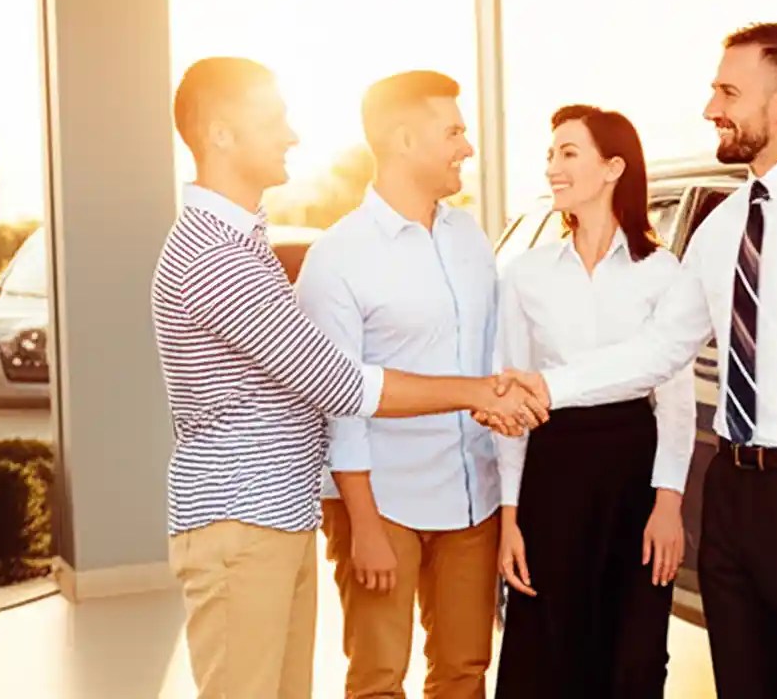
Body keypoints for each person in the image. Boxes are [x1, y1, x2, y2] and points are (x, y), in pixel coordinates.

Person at [492, 24, 777, 698]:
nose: (710, 109)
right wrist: (546, 385)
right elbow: (659, 348)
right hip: (729, 496)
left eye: (728, 92)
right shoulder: (721, 227)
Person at [152, 57, 543, 699]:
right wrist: (474, 392)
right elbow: (338, 385)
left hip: (272, 518)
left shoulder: (243, 242)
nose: (291, 136)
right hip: (238, 519)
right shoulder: (213, 255)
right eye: (272, 120)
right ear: (221, 133)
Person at [293, 70, 502, 699]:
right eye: (454, 132)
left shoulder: (470, 238)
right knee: (379, 679)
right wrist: (363, 525)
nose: (467, 147)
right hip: (381, 503)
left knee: (464, 671)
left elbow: (490, 360)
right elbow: (336, 402)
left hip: (472, 497)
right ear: (405, 139)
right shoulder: (337, 257)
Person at [491, 105, 696, 699]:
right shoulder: (526, 274)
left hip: (634, 473)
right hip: (552, 473)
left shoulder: (661, 271)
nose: (552, 167)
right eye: (550, 154)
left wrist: (668, 504)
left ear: (613, 167)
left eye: (568, 153)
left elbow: (676, 403)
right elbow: (512, 402)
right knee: (548, 653)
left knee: (633, 657)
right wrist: (510, 518)